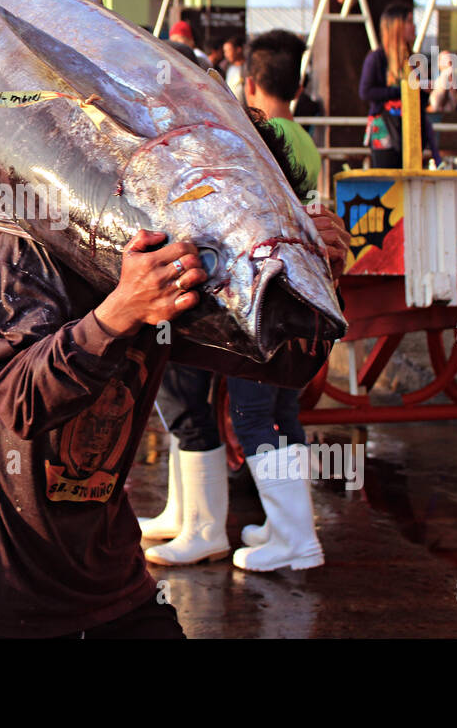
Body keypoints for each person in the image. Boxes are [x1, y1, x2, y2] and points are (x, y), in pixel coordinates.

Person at [0, 95, 352, 636]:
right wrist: (119, 312)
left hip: (104, 574)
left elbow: (283, 366)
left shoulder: (183, 267)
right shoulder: (37, 249)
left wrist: (317, 282)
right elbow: (18, 398)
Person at [142, 30, 327, 571]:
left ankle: (285, 539)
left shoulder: (239, 135)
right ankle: (278, 529)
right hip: (282, 291)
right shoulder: (294, 138)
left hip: (247, 297)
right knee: (275, 412)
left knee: (245, 415)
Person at [359, 3, 430, 169]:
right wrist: (403, 91)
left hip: (411, 129)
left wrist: (424, 91)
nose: (414, 27)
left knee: (410, 183)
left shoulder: (413, 60)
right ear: (397, 26)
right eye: (410, 22)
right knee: (388, 183)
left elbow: (420, 100)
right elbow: (366, 92)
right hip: (384, 128)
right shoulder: (376, 58)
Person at [222, 32, 247, 102]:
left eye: (228, 51)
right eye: (225, 51)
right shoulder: (228, 68)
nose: (226, 54)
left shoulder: (247, 68)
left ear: (238, 50)